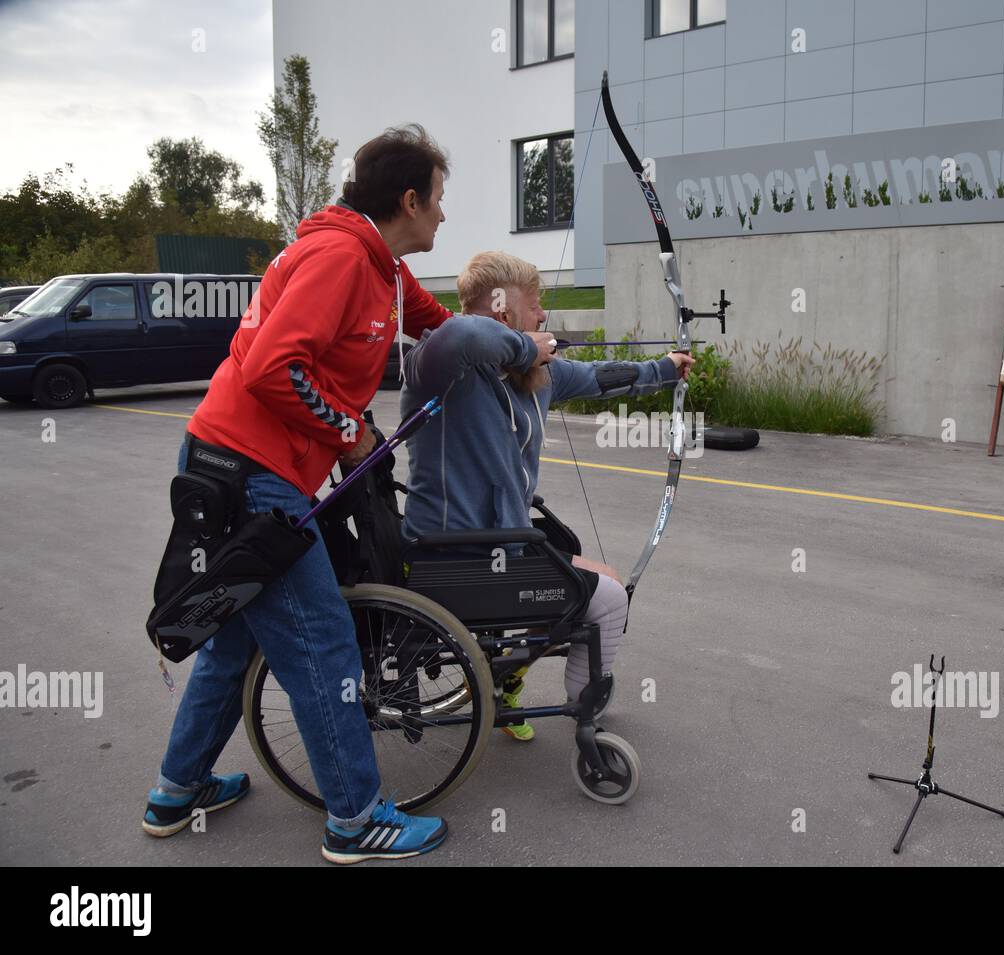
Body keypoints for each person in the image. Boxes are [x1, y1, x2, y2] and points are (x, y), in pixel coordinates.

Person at [143, 125, 460, 864]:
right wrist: (347, 428)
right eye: (439, 201)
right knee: (323, 643)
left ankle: (175, 790)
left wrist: (514, 342)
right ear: (408, 200)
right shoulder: (341, 255)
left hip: (249, 461)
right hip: (247, 470)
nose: (444, 215)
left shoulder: (381, 265)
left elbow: (437, 323)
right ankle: (355, 821)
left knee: (237, 638)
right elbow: (272, 369)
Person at [399, 250, 693, 738]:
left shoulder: (533, 378)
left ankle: (506, 677)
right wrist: (522, 346)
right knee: (607, 600)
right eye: (534, 304)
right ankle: (586, 723)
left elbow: (600, 377)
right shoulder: (441, 366)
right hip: (455, 558)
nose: (543, 316)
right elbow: (463, 333)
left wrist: (664, 368)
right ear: (502, 310)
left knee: (604, 580)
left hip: (502, 549)